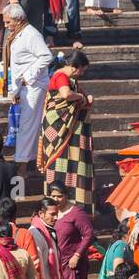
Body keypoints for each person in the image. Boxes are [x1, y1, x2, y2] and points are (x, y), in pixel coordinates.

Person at [38, 53, 94, 215]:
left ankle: (73, 202)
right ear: (74, 67)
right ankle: (53, 201)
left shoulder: (72, 80)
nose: (81, 74)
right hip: (56, 125)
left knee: (70, 159)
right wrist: (81, 97)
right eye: (81, 70)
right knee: (57, 158)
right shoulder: (62, 76)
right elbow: (66, 95)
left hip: (67, 126)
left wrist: (83, 98)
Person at [3, 4, 52, 174]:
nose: (6, 25)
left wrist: (28, 76)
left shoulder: (31, 34)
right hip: (22, 86)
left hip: (33, 86)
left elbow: (46, 56)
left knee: (27, 125)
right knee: (24, 124)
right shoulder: (17, 35)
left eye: (8, 21)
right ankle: (25, 160)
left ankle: (22, 166)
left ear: (18, 20)